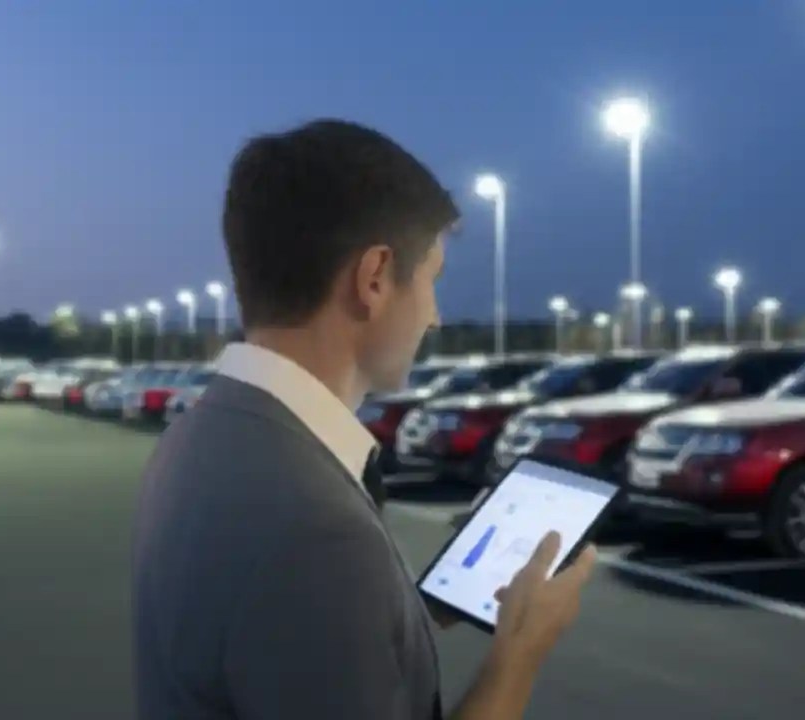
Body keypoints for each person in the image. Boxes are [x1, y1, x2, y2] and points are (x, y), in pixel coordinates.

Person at [132, 119, 597, 720]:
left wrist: (414, 605)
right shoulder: (318, 530)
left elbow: (289, 636)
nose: (434, 316)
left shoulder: (201, 432)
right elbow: (306, 580)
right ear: (374, 278)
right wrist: (521, 653)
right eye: (431, 280)